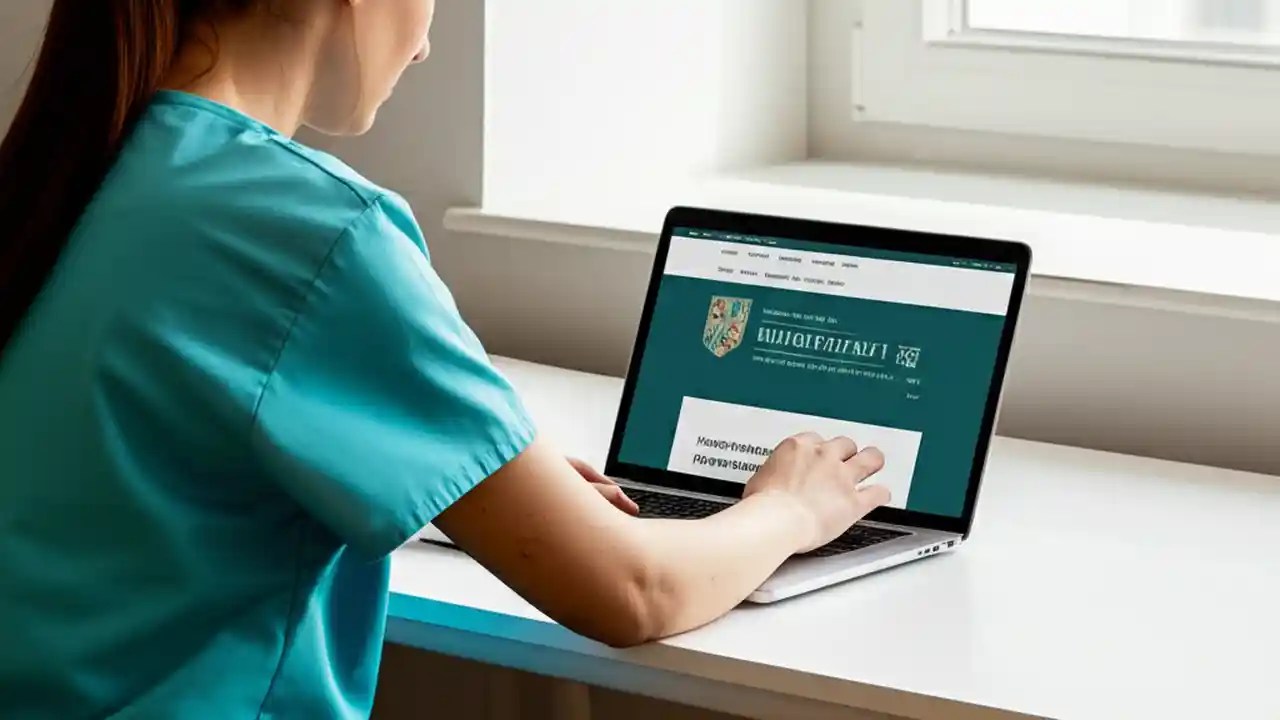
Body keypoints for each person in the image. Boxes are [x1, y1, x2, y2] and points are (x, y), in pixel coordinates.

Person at [0, 1, 891, 718]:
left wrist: (446, 481)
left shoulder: (70, 172)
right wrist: (792, 509)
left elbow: (129, 465)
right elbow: (633, 590)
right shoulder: (315, 230)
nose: (427, 44)